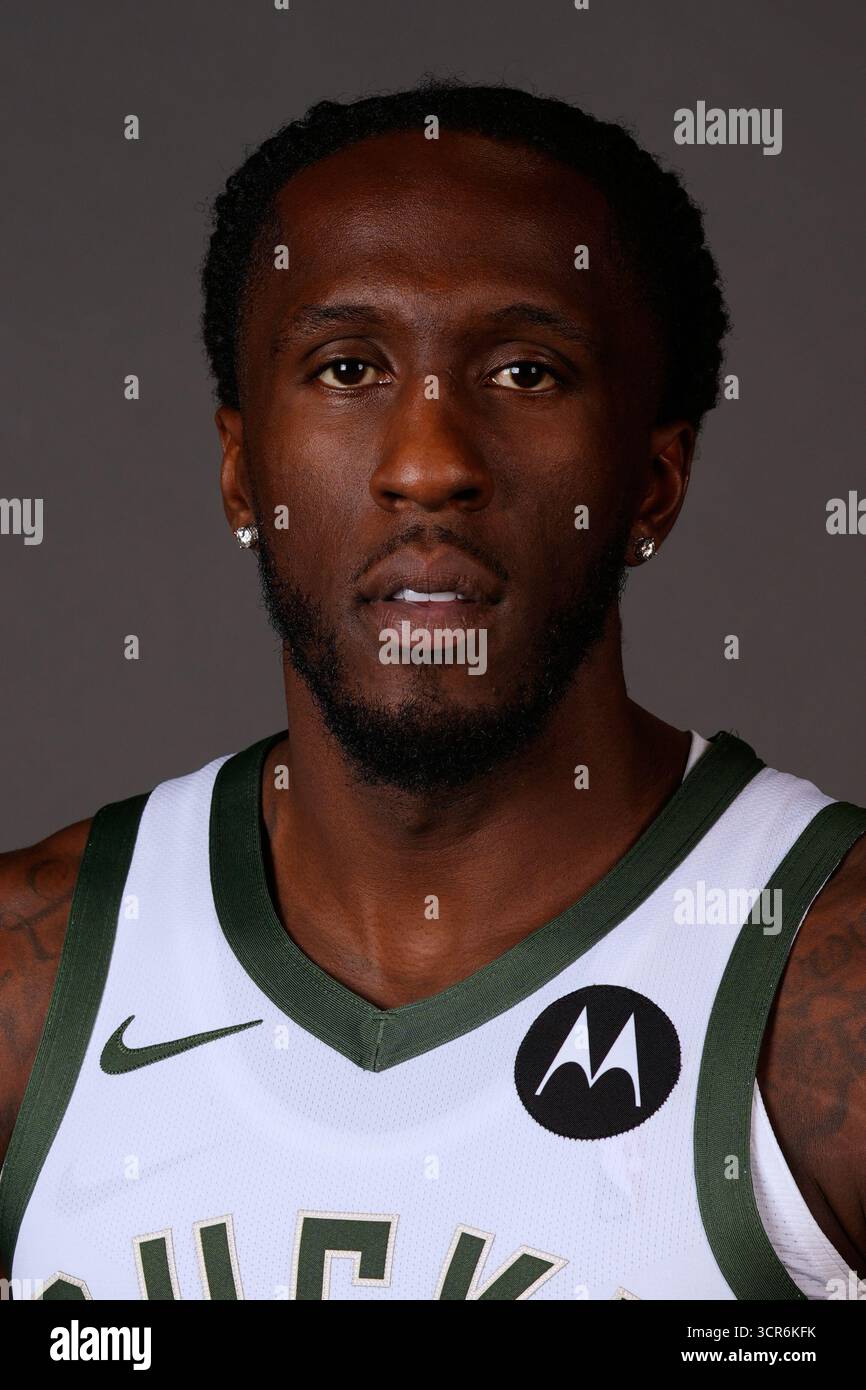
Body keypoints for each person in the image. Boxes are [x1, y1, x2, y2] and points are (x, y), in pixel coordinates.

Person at [1, 78, 864, 1301]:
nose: (427, 464)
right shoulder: (33, 984)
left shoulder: (825, 984)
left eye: (524, 373)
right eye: (347, 365)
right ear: (241, 470)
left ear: (652, 485)